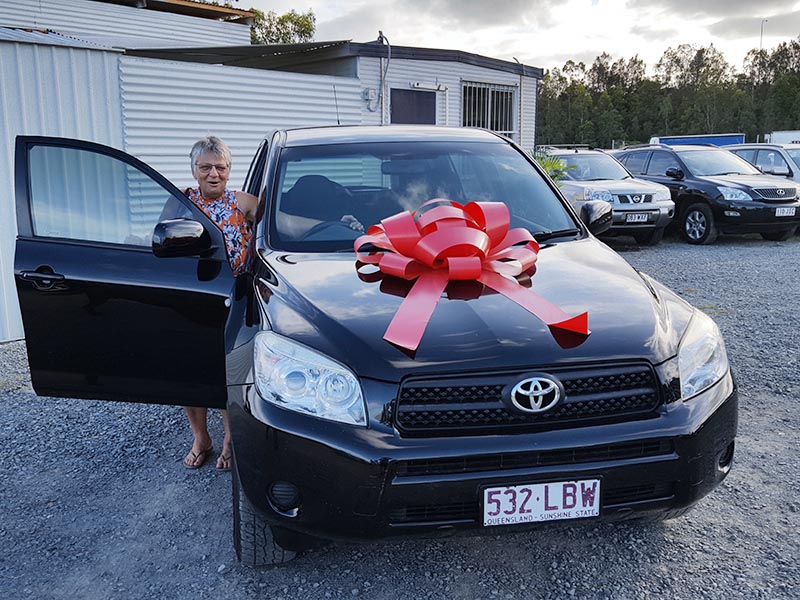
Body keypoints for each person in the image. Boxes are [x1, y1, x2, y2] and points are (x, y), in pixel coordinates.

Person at [181, 136, 257, 471]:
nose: (214, 174)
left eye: (221, 167)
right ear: (194, 171)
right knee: (189, 373)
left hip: (233, 298)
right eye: (206, 167)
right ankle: (201, 438)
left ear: (229, 171)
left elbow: (283, 219)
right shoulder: (181, 203)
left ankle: (229, 439)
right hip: (192, 298)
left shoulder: (242, 202)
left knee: (228, 372)